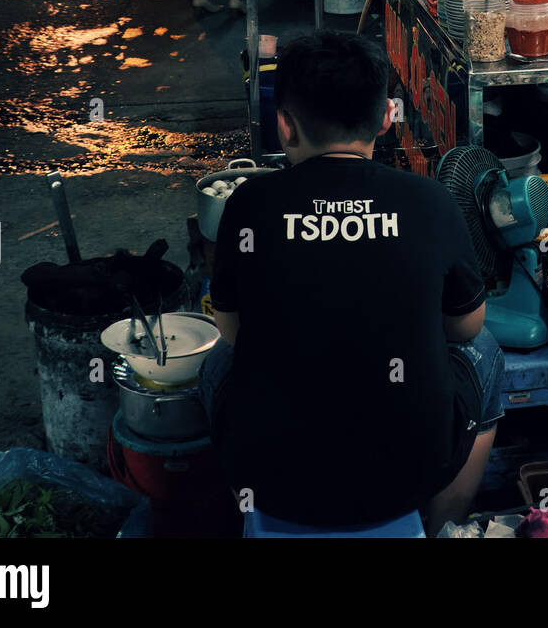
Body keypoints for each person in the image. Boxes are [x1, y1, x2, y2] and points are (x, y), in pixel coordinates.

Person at [199, 30, 503, 534]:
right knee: (488, 351)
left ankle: (257, 514)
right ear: (387, 117)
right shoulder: (429, 201)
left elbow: (232, 332)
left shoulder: (248, 204)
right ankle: (446, 527)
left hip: (271, 474)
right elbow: (467, 327)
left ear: (284, 126)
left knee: (215, 363)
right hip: (411, 472)